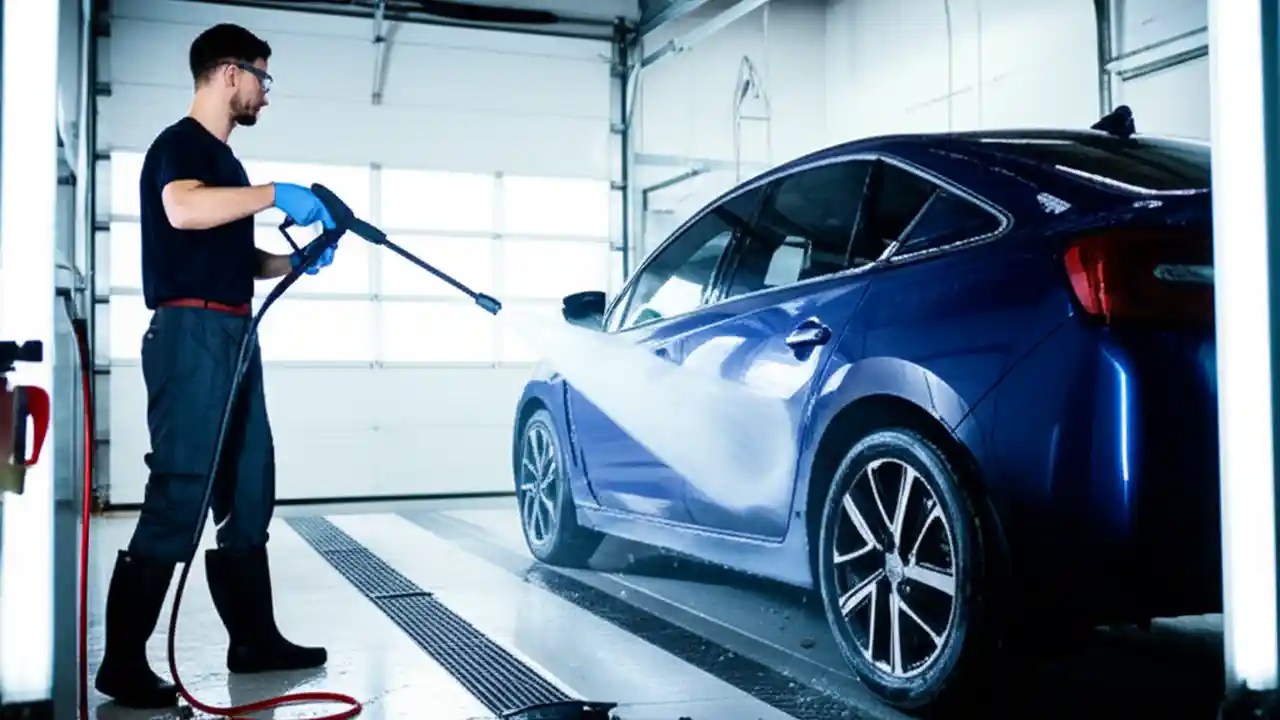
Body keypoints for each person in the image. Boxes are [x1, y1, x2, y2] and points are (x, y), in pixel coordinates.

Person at [94, 23, 338, 709]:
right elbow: (181, 209)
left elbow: (238, 258)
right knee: (181, 492)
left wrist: (294, 260)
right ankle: (121, 662)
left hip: (234, 333)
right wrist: (273, 192)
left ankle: (253, 640)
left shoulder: (226, 167)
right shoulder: (182, 147)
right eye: (264, 76)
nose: (267, 93)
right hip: (190, 334)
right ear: (229, 73)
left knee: (250, 486)